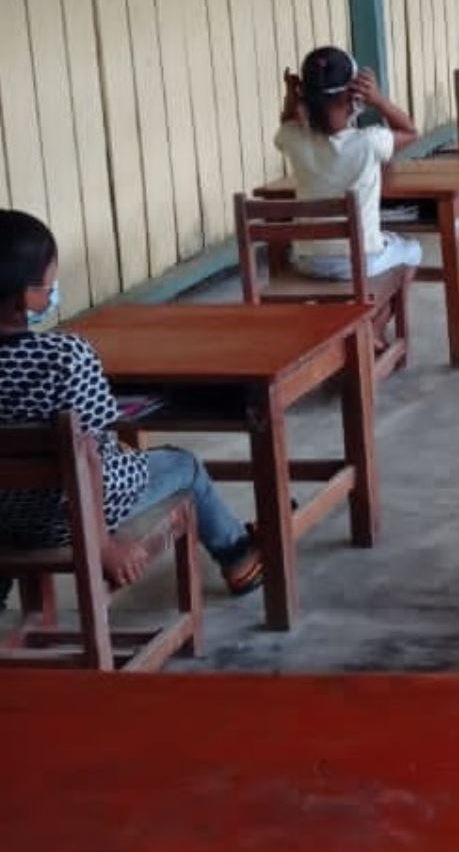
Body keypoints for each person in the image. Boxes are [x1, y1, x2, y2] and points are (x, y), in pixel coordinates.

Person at [0, 210, 263, 595]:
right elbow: (86, 455)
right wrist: (102, 546)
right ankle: (239, 556)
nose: (53, 291)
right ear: (27, 297)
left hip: (3, 517)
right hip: (65, 518)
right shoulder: (66, 356)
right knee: (183, 464)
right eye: (49, 284)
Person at [274, 46, 423, 280]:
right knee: (413, 249)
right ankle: (381, 312)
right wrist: (379, 100)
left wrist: (291, 100)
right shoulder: (370, 141)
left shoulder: (293, 139)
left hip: (306, 261)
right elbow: (410, 131)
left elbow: (287, 124)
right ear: (353, 95)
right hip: (360, 261)